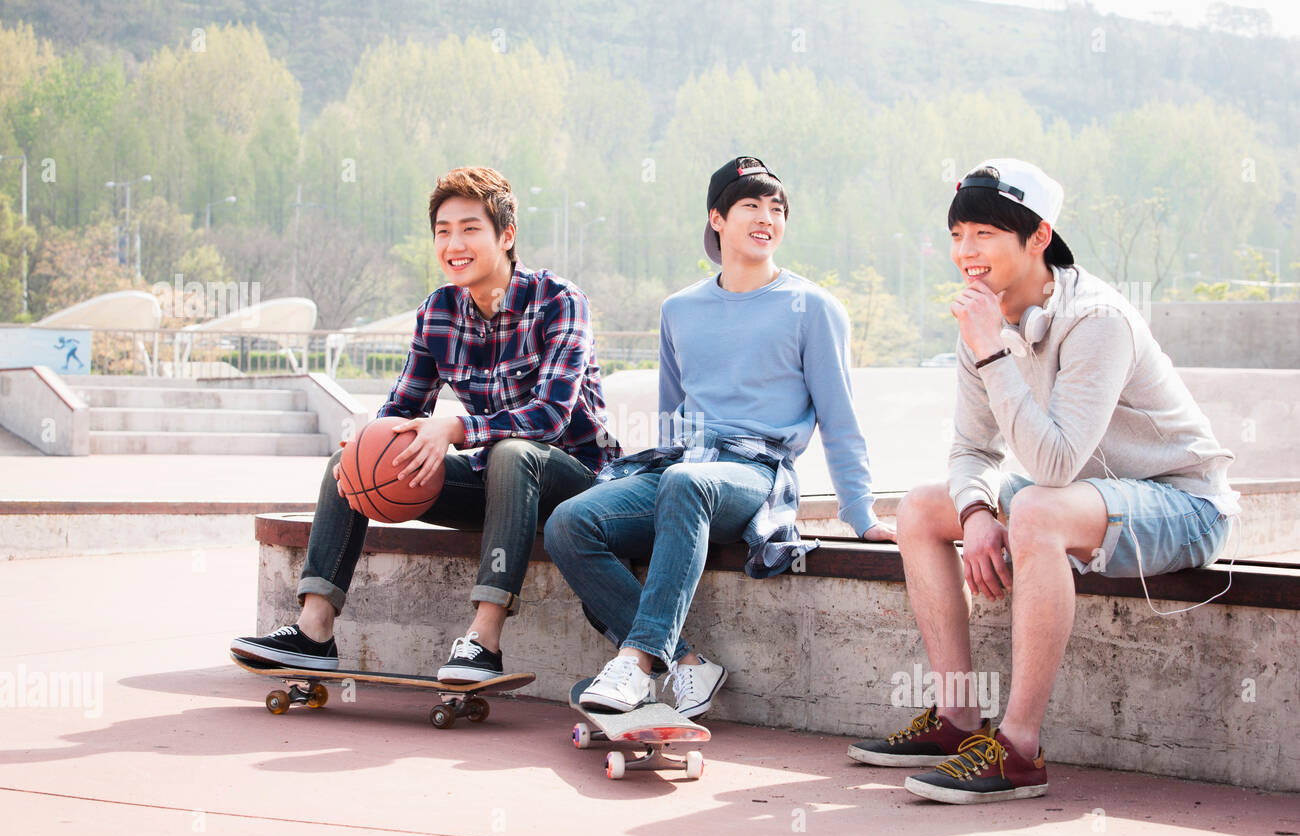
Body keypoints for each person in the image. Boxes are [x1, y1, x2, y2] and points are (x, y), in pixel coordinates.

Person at [848, 158, 1237, 803]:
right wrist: (974, 515)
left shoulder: (1097, 320)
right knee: (921, 509)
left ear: (1037, 237)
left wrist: (990, 347)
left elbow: (1053, 467)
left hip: (1183, 503)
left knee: (1035, 511)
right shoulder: (985, 316)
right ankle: (958, 722)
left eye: (985, 235)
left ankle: (1020, 750)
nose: (965, 253)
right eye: (957, 236)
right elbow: (972, 448)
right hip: (1080, 500)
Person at [231, 166, 620, 682]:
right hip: (495, 487)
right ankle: (314, 630)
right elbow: (403, 408)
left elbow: (549, 417)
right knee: (349, 465)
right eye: (443, 231)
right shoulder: (437, 312)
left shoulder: (559, 301)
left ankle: (484, 641)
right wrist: (370, 442)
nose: (453, 243)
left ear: (506, 235)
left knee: (512, 453)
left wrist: (456, 429)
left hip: (575, 486)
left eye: (470, 228)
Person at [544, 156, 895, 718]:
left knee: (687, 483)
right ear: (717, 218)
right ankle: (686, 664)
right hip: (684, 464)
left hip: (755, 473)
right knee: (569, 522)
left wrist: (860, 513)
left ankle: (635, 666)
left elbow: (839, 418)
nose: (766, 218)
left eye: (777, 209)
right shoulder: (680, 309)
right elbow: (671, 415)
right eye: (751, 206)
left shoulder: (815, 307)